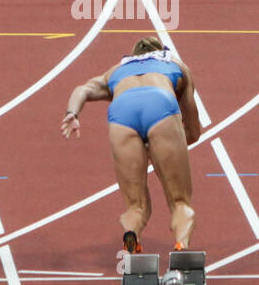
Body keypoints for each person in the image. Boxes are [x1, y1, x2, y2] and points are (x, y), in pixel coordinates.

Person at [62, 37, 201, 254]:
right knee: (179, 201)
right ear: (160, 51)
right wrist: (164, 150)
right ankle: (181, 246)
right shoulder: (176, 65)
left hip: (121, 112)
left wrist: (72, 113)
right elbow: (193, 131)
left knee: (136, 207)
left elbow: (83, 89)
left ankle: (132, 235)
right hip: (160, 104)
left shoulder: (116, 70)